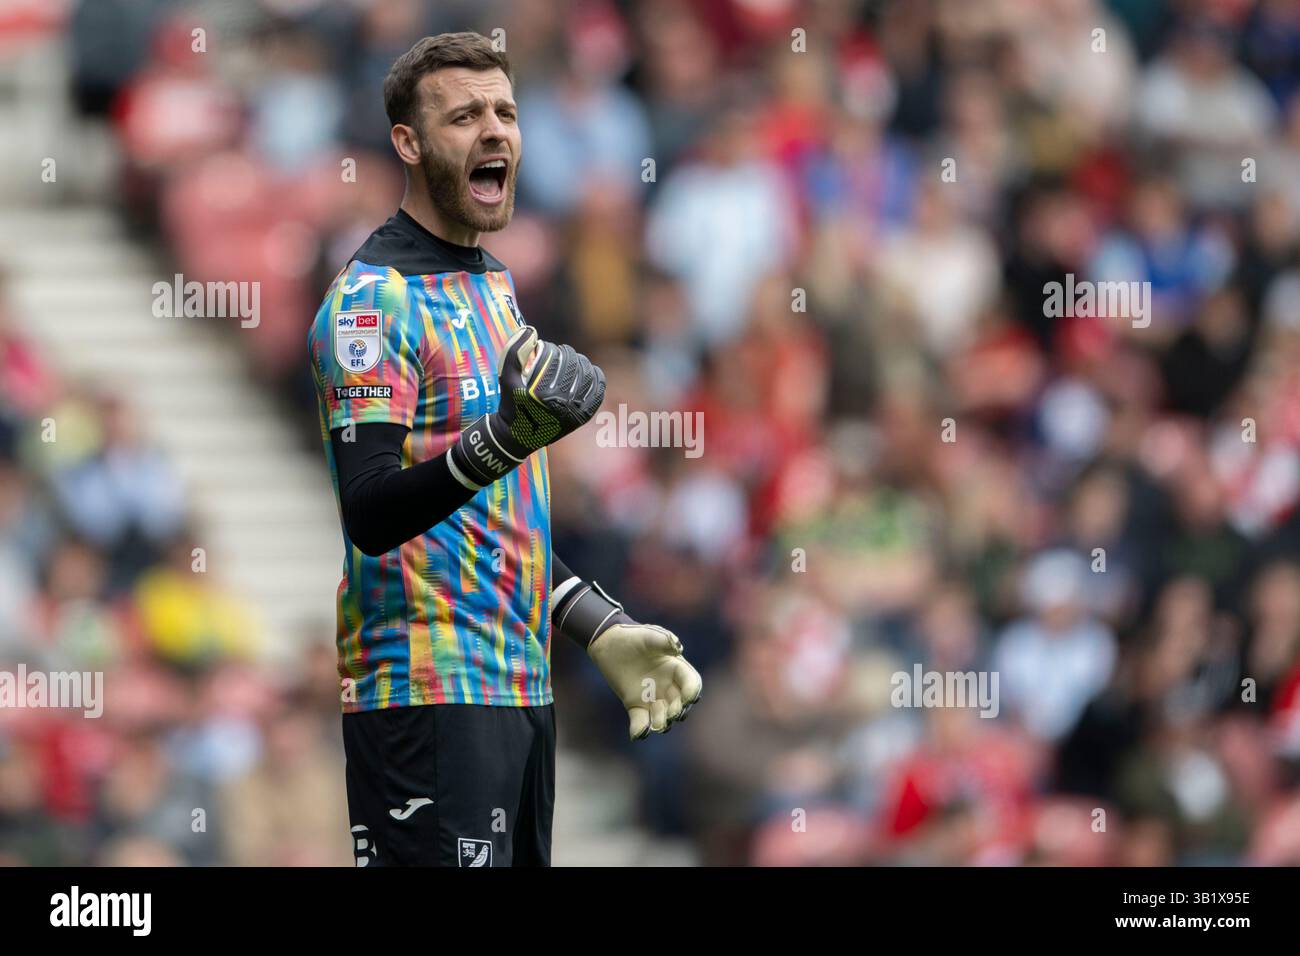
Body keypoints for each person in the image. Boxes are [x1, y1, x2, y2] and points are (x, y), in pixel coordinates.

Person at [306, 31, 702, 867]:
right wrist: (508, 438)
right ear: (409, 143)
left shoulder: (493, 283)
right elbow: (370, 512)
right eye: (463, 116)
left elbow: (489, 516)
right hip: (425, 695)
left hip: (518, 685)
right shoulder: (371, 301)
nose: (493, 130)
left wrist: (596, 623)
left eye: (506, 113)